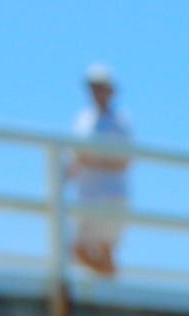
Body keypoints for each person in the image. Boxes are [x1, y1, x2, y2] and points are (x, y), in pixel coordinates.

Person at [66, 64, 133, 279]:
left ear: (111, 90)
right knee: (77, 251)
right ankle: (110, 288)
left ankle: (112, 294)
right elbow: (76, 155)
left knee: (105, 252)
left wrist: (91, 160)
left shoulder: (121, 123)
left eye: (101, 87)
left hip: (112, 196)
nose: (96, 92)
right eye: (93, 87)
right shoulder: (83, 119)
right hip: (87, 196)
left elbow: (124, 161)